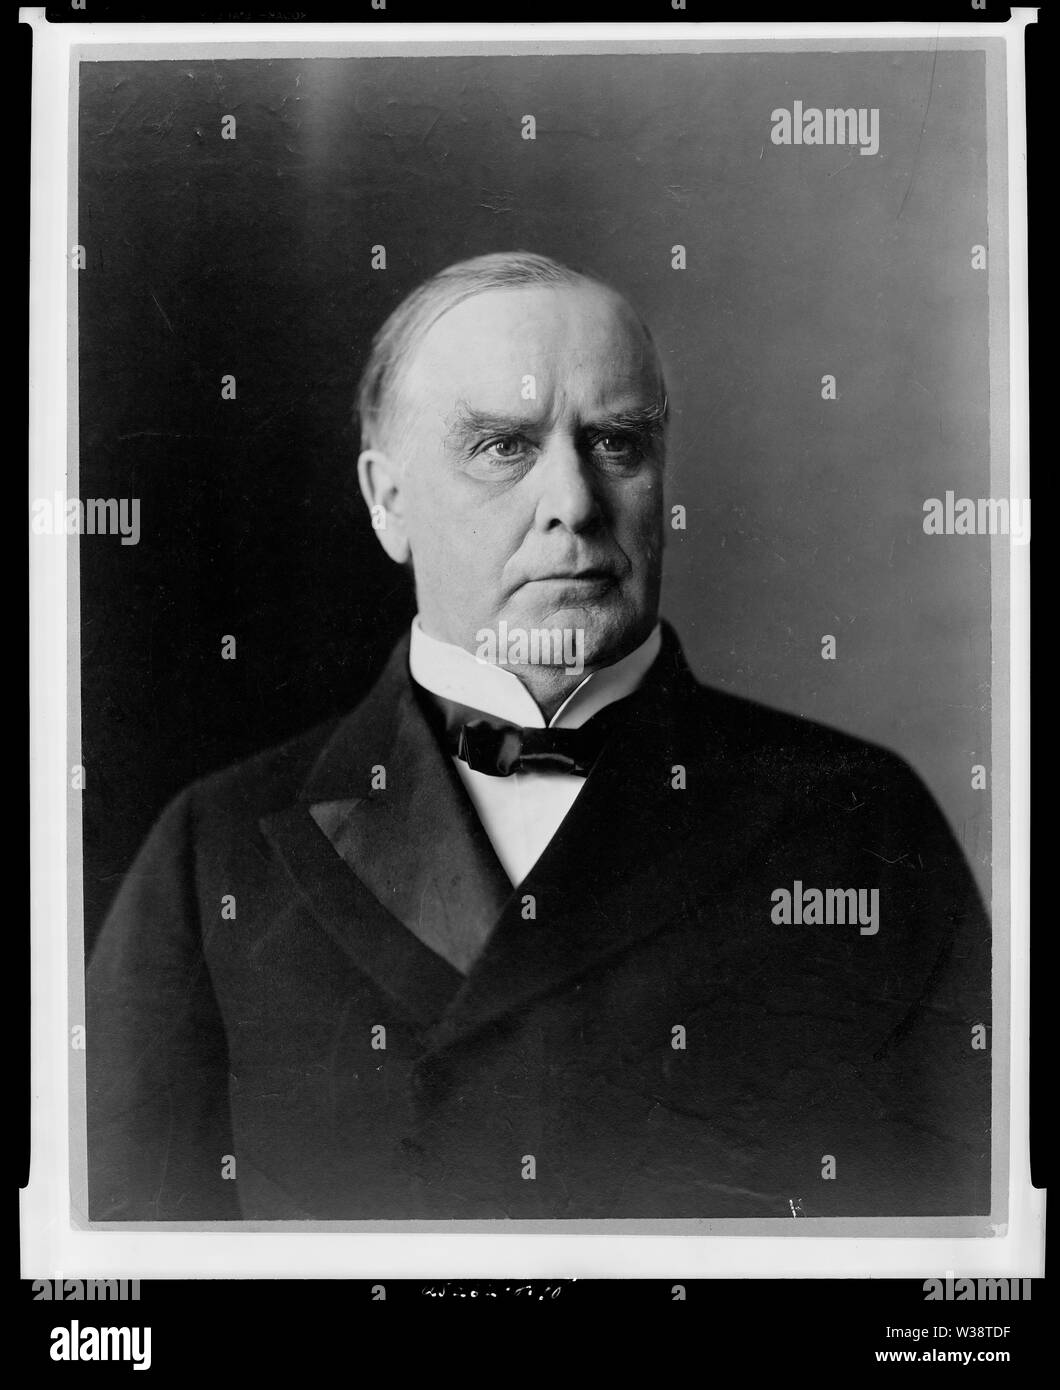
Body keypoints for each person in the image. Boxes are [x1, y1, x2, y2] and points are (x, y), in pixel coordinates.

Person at [87, 251, 991, 1221]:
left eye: (614, 443)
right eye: (502, 447)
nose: (573, 501)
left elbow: (952, 1240)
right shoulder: (214, 852)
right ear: (386, 500)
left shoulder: (855, 820)